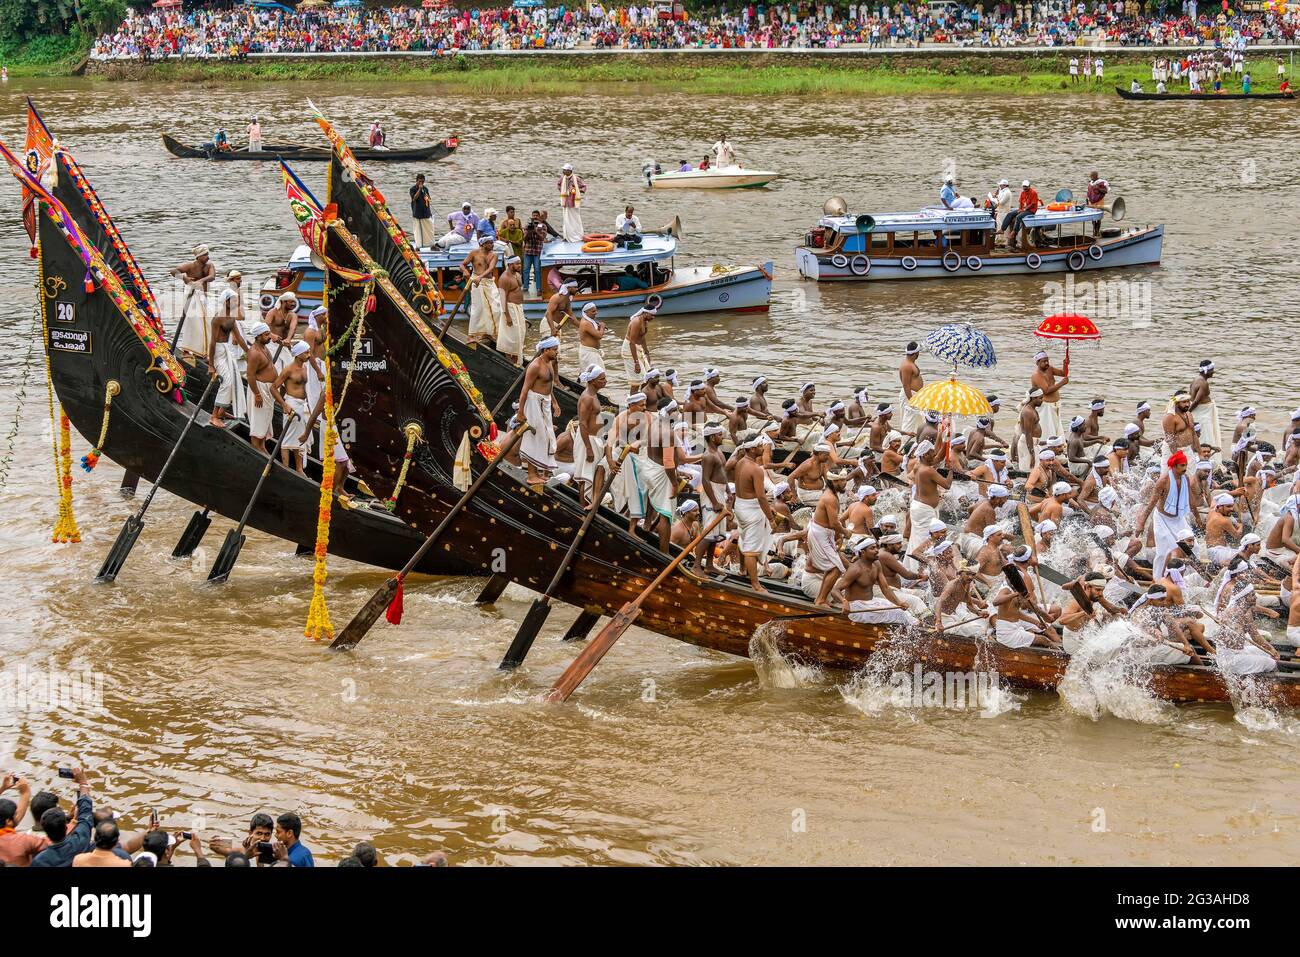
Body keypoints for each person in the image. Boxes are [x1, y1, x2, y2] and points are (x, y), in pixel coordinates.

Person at [1137, 450, 1199, 581]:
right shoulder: (1163, 480)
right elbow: (1151, 503)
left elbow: (1191, 499)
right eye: (1182, 466)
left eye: (1185, 465)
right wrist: (1141, 523)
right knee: (1165, 549)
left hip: (1178, 518)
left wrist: (1198, 517)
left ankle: (1187, 578)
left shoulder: (1185, 478)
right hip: (1162, 519)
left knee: (1194, 546)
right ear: (1174, 466)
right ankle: (1159, 579)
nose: (1184, 468)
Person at [833, 538, 915, 627]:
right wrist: (844, 602)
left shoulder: (876, 564)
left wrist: (899, 603)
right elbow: (835, 590)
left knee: (905, 613)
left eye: (876, 547)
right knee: (900, 614)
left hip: (872, 602)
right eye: (872, 548)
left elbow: (885, 588)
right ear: (863, 552)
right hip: (857, 607)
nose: (876, 550)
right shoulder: (855, 569)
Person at [207, 270, 249, 428]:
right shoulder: (218, 318)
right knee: (227, 382)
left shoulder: (231, 318)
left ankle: (222, 412)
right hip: (217, 352)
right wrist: (211, 365)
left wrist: (249, 353)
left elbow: (238, 337)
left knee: (235, 380)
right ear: (226, 301)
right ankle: (213, 416)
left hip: (227, 351)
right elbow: (212, 343)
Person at [733, 433, 774, 592]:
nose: (762, 448)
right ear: (751, 449)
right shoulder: (756, 469)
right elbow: (762, 497)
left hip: (740, 505)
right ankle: (755, 584)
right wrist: (771, 518)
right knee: (751, 549)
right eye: (759, 446)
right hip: (751, 510)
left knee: (744, 537)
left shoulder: (740, 462)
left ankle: (742, 569)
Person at [518, 337, 561, 485]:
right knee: (535, 436)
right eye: (554, 350)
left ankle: (537, 472)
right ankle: (531, 475)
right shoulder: (535, 366)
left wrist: (554, 402)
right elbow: (524, 390)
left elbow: (549, 385)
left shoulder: (549, 363)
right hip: (534, 402)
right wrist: (520, 412)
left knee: (546, 436)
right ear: (546, 350)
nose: (557, 352)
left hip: (546, 402)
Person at [30, 767, 92, 868]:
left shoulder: (39, 860)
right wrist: (83, 783)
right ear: (66, 827)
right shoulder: (79, 841)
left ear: (45, 831)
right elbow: (86, 813)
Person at [274, 342, 315, 474]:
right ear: (298, 355)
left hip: (303, 406)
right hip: (291, 404)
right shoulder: (288, 370)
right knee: (287, 438)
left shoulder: (306, 368)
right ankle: (286, 469)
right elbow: (273, 388)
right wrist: (284, 405)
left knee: (300, 438)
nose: (309, 355)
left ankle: (299, 469)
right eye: (306, 352)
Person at [170, 244, 216, 354]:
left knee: (209, 321)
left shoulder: (209, 265)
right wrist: (184, 277)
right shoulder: (190, 266)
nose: (207, 257)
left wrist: (201, 281)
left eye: (207, 254)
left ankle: (206, 349)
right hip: (192, 297)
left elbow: (212, 276)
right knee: (192, 323)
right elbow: (173, 271)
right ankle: (187, 350)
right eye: (205, 255)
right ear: (198, 256)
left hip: (204, 297)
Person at [573, 365, 608, 505]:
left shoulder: (593, 395)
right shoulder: (587, 397)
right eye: (602, 379)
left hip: (594, 439)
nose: (605, 381)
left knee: (591, 475)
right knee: (585, 477)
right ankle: (583, 507)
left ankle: (587, 504)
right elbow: (582, 423)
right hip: (587, 441)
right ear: (593, 381)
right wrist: (588, 448)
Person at [0, 775, 49, 866]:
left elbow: (16, 819)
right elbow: (52, 843)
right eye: (14, 815)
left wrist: (2, 788)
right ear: (8, 822)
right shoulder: (23, 841)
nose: (17, 816)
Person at [462, 236, 503, 345]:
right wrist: (464, 271)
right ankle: (471, 336)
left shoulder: (494, 255)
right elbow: (462, 264)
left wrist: (481, 277)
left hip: (489, 283)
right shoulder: (474, 253)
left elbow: (491, 268)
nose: (492, 245)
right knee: (478, 309)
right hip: (476, 283)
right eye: (489, 243)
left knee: (496, 307)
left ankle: (492, 333)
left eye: (492, 243)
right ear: (483, 244)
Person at [245, 322, 278, 452]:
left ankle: (262, 447)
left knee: (265, 421)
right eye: (266, 334)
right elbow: (250, 376)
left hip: (268, 390)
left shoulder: (264, 347)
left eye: (269, 333)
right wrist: (257, 394)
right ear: (258, 336)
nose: (270, 336)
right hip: (259, 390)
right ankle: (256, 449)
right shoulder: (254, 353)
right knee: (258, 423)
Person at [1187, 359, 1221, 465]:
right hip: (1202, 416)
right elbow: (1196, 401)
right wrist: (1187, 413)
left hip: (1203, 413)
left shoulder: (1197, 379)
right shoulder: (1203, 383)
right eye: (1212, 370)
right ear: (1207, 371)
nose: (1213, 372)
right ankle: (1205, 462)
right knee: (1205, 437)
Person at [497, 256, 526, 366]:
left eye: (520, 263)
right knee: (511, 336)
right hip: (510, 308)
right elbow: (502, 298)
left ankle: (517, 358)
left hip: (519, 308)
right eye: (517, 264)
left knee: (520, 333)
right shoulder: (504, 278)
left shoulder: (518, 275)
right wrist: (507, 316)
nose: (520, 266)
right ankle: (510, 361)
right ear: (510, 264)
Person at [622, 304, 655, 389]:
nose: (653, 317)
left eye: (654, 315)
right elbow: (631, 343)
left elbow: (642, 337)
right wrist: (636, 362)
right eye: (652, 315)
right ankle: (633, 401)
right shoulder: (636, 322)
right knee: (637, 381)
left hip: (638, 348)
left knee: (648, 376)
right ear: (645, 313)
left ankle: (641, 397)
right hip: (630, 349)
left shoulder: (645, 321)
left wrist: (646, 352)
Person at [897, 341, 924, 436]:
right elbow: (906, 385)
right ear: (915, 353)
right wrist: (912, 401)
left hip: (916, 395)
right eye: (918, 353)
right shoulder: (906, 366)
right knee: (908, 420)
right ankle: (904, 444)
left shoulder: (911, 363)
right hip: (909, 395)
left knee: (919, 419)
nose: (919, 354)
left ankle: (915, 441)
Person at [557, 163, 586, 242]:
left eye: (565, 170)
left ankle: (576, 236)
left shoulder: (576, 178)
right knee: (566, 219)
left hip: (574, 202)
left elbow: (584, 186)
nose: (563, 171)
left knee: (575, 219)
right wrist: (563, 191)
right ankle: (567, 236)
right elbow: (558, 185)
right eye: (563, 170)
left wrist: (577, 191)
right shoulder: (562, 178)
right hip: (565, 202)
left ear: (569, 171)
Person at [521, 210, 548, 295]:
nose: (535, 217)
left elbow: (542, 238)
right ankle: (525, 287)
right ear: (532, 216)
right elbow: (524, 239)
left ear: (539, 217)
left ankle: (539, 288)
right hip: (528, 251)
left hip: (537, 251)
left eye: (537, 215)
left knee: (537, 270)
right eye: (534, 215)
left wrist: (535, 231)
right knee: (526, 270)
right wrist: (529, 231)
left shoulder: (543, 226)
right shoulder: (528, 226)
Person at [1010, 179, 1040, 250]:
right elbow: (1020, 202)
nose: (1025, 188)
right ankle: (1006, 231)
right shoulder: (1022, 193)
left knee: (1019, 217)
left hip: (1031, 210)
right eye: (1024, 186)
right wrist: (1020, 209)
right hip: (1024, 209)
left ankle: (1014, 231)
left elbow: (1033, 204)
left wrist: (1024, 209)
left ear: (1029, 186)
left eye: (1026, 187)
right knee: (1011, 214)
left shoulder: (1033, 193)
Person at [576, 301, 604, 373]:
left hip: (592, 353)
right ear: (586, 312)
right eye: (593, 311)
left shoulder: (589, 321)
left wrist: (599, 327)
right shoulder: (586, 323)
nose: (596, 312)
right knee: (594, 376)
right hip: (589, 353)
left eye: (596, 310)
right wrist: (602, 327)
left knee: (597, 375)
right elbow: (599, 335)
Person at [409, 174, 434, 249]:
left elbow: (428, 200)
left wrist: (430, 212)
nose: (421, 183)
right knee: (418, 231)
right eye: (420, 181)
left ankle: (432, 245)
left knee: (430, 228)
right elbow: (414, 198)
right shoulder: (412, 189)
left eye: (422, 182)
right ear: (416, 181)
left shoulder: (425, 189)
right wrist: (419, 189)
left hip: (426, 212)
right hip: (418, 213)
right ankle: (418, 246)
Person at [1085, 171, 1109, 237]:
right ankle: (1094, 231)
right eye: (1090, 176)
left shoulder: (1101, 182)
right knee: (1093, 217)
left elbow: (1105, 191)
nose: (1091, 177)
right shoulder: (1091, 183)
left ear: (1096, 176)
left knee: (1098, 218)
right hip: (1092, 202)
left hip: (1099, 201)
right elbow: (1088, 193)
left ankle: (1097, 231)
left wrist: (1098, 188)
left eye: (1092, 176)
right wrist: (1087, 200)